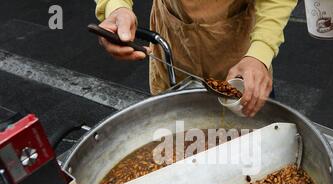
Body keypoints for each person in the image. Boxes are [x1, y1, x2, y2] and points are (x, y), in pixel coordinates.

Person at [96, 0, 297, 117]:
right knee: (176, 141)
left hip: (237, 44)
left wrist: (260, 53)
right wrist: (116, 8)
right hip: (174, 36)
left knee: (255, 147)